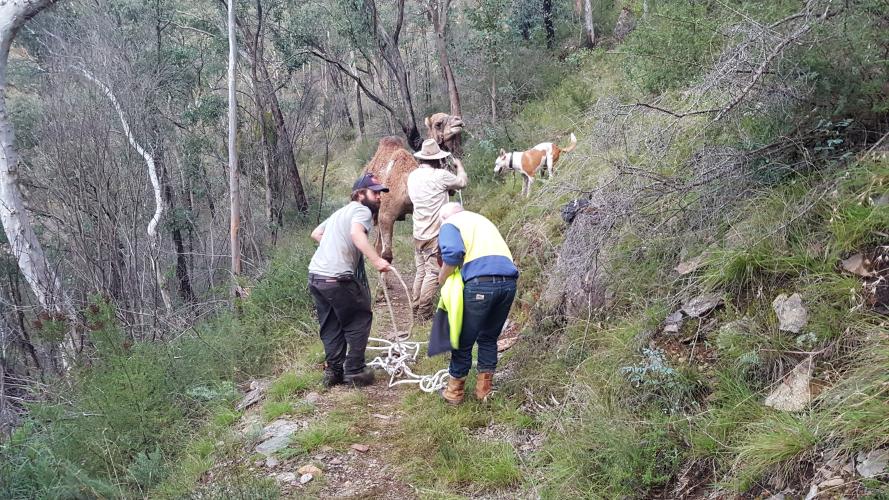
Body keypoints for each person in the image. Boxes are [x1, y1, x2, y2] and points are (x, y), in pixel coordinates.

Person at [308, 173, 392, 388]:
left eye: (381, 193)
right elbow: (356, 234)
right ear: (360, 194)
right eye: (375, 193)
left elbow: (316, 233)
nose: (379, 197)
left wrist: (334, 248)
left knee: (330, 324)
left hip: (317, 276)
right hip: (337, 278)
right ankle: (354, 371)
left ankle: (334, 371)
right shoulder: (361, 210)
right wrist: (377, 260)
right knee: (359, 318)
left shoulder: (340, 213)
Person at [436, 202, 518, 404]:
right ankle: (484, 391)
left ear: (444, 218)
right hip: (508, 282)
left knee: (464, 339)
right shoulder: (482, 220)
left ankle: (454, 393)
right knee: (489, 338)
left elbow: (454, 253)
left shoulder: (450, 223)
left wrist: (442, 278)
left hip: (481, 284)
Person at [407, 139, 468, 320]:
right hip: (434, 233)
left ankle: (415, 306)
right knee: (433, 273)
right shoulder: (440, 175)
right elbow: (462, 183)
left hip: (418, 231)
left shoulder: (412, 176)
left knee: (421, 271)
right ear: (437, 160)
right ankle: (424, 313)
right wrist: (460, 167)